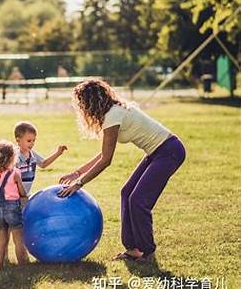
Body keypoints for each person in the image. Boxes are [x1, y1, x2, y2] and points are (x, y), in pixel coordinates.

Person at [58, 79, 186, 262]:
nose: (82, 108)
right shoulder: (112, 113)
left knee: (139, 200)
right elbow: (103, 154)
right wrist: (77, 173)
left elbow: (106, 160)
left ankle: (147, 251)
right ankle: (132, 249)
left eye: (82, 103)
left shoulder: (113, 115)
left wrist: (79, 183)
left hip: (169, 151)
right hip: (157, 152)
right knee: (127, 193)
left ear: (90, 101)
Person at [0, 140, 29, 270]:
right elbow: (22, 192)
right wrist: (24, 196)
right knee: (18, 239)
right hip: (13, 208)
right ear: (11, 158)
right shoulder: (15, 173)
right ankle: (23, 267)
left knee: (2, 240)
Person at [14, 121, 68, 195]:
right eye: (29, 141)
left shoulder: (32, 153)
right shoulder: (15, 157)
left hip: (25, 194)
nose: (32, 143)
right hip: (14, 196)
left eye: (34, 140)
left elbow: (43, 164)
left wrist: (58, 153)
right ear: (18, 140)